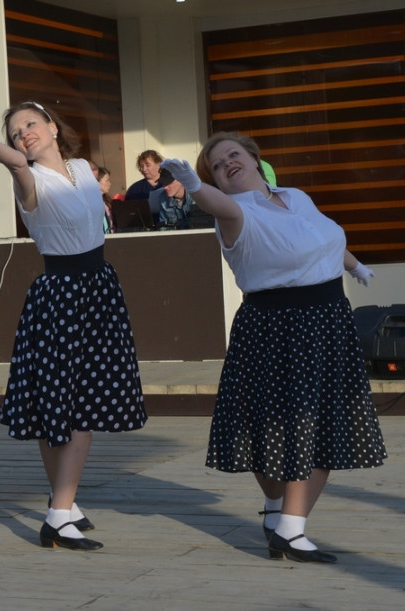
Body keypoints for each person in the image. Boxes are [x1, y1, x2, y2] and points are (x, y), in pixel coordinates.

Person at [160, 132, 386, 564]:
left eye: (234, 154)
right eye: (217, 165)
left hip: (328, 320)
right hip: (274, 326)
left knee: (322, 426)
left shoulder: (296, 195)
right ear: (215, 182)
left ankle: (289, 526)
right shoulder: (231, 211)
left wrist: (355, 265)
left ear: (255, 159)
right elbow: (213, 201)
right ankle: (285, 518)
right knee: (266, 429)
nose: (227, 163)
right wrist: (193, 185)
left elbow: (319, 237)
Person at [0, 101, 147, 552]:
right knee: (62, 405)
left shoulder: (80, 166)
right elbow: (16, 164)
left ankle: (66, 504)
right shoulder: (29, 178)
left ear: (53, 127)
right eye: (16, 131)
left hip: (97, 286)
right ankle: (58, 515)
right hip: (61, 291)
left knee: (71, 402)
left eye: (30, 125)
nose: (24, 135)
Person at [96, 166, 115, 233]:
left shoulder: (107, 201)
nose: (110, 184)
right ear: (97, 182)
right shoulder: (91, 203)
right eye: (107, 180)